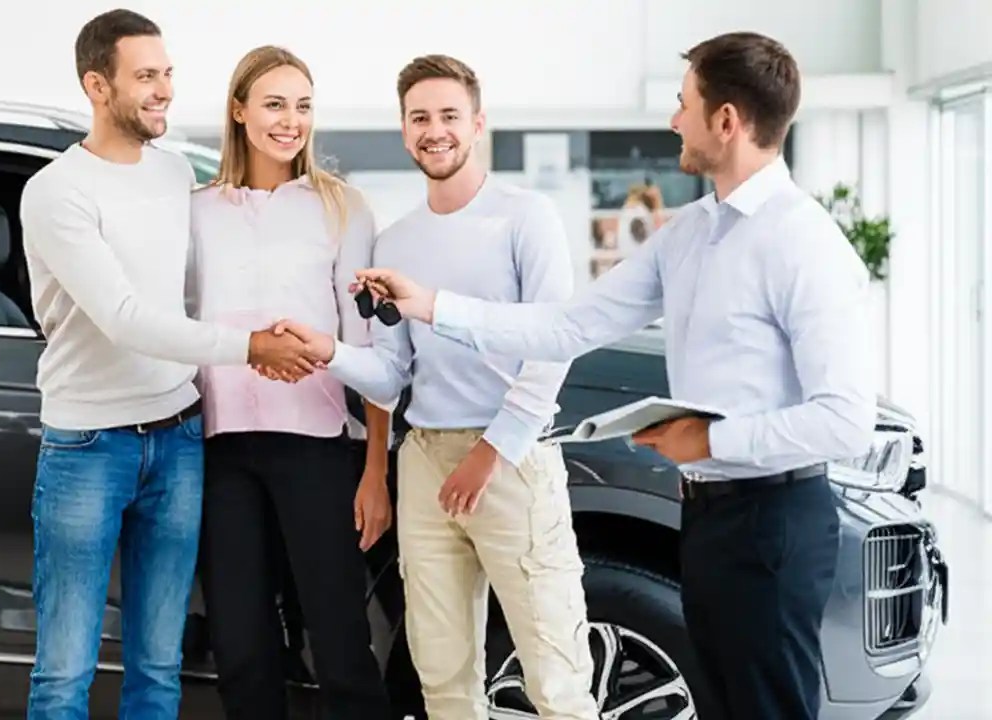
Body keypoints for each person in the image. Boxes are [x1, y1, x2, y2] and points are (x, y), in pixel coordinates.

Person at [347, 32, 876, 720]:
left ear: (726, 120)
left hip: (775, 519)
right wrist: (431, 305)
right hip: (710, 514)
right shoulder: (693, 232)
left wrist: (712, 440)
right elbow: (567, 325)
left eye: (683, 104)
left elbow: (845, 418)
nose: (672, 120)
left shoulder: (802, 241)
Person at [276, 54, 599, 720]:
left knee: (557, 680)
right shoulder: (395, 241)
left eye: (450, 115)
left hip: (513, 461)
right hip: (423, 464)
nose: (435, 130)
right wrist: (328, 350)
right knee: (444, 680)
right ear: (403, 130)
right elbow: (392, 376)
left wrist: (495, 449)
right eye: (419, 117)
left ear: (477, 123)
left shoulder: (526, 218)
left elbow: (554, 344)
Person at [18, 10, 316, 720]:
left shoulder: (175, 171)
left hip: (178, 438)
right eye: (145, 76)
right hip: (89, 447)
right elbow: (124, 318)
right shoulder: (58, 191)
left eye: (168, 73)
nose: (164, 91)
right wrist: (252, 349)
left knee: (159, 669)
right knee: (64, 672)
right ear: (97, 85)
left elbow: (196, 292)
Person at [185, 45, 393, 720]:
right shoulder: (193, 212)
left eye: (303, 105)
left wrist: (374, 472)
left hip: (317, 448)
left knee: (340, 643)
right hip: (220, 454)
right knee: (241, 648)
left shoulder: (343, 208)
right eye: (274, 103)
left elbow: (370, 351)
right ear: (238, 110)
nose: (290, 121)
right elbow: (180, 330)